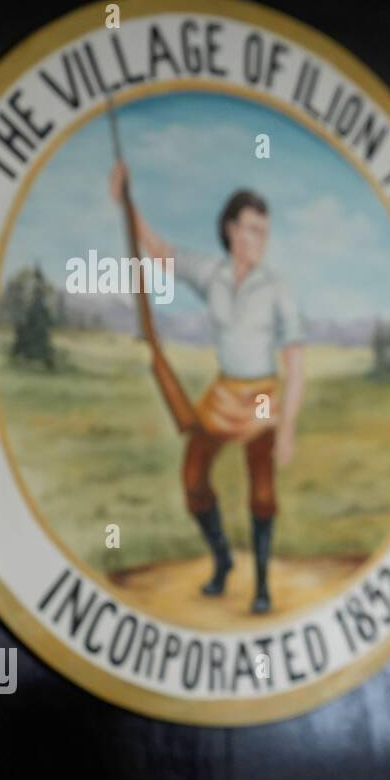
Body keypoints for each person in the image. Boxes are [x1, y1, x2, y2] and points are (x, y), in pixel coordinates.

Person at [109, 162, 307, 614]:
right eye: (252, 230)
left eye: (265, 232)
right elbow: (158, 252)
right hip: (223, 392)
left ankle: (260, 586)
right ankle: (221, 561)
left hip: (260, 393)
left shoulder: (278, 290)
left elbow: (295, 365)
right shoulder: (210, 273)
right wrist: (127, 202)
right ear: (230, 230)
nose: (259, 240)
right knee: (194, 478)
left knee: (261, 490)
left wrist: (288, 427)